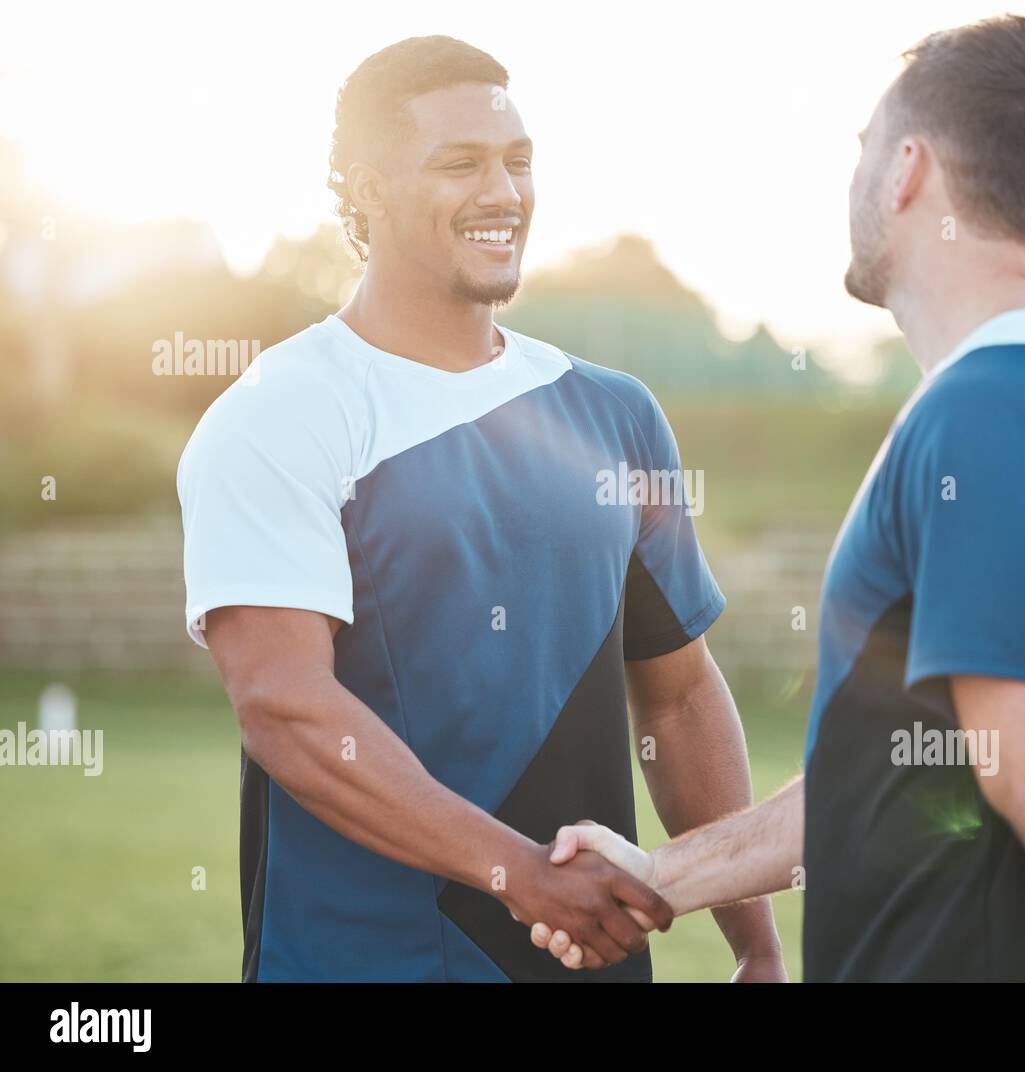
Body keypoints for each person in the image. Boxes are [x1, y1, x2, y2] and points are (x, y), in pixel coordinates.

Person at [531, 15, 1025, 984]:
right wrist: (663, 871)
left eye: (862, 150)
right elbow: (901, 770)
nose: (852, 179)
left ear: (906, 169)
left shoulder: (991, 409)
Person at [176, 34, 782, 982]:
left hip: (592, 963)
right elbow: (286, 707)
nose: (502, 192)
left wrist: (756, 946)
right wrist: (521, 876)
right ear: (367, 190)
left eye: (519, 162)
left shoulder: (615, 414)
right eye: (459, 164)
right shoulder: (277, 413)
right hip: (359, 962)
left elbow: (681, 690)